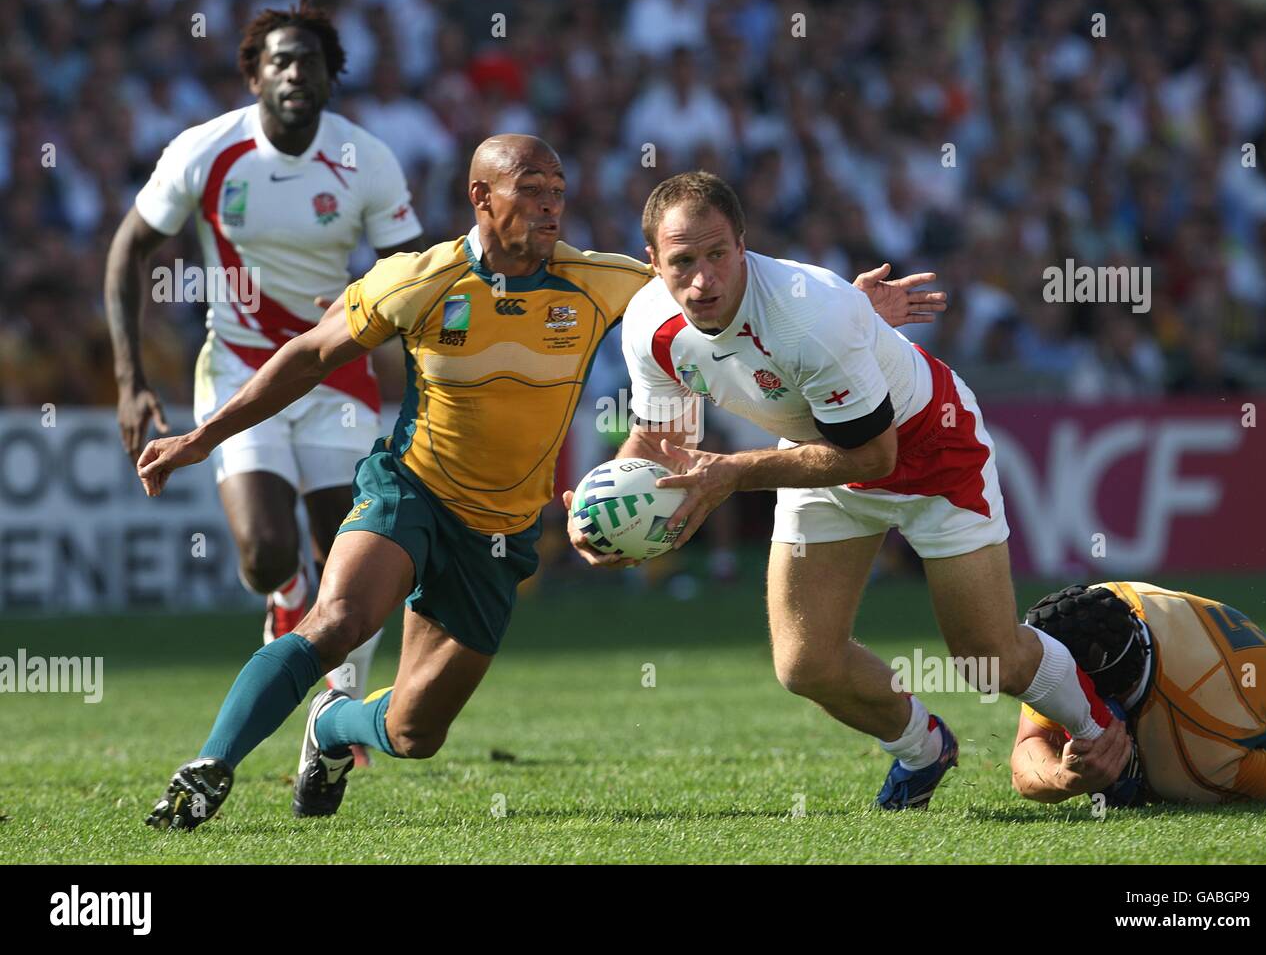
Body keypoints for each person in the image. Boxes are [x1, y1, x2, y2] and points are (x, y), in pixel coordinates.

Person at [134, 138, 942, 831]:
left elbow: (733, 288)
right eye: (533, 191)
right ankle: (212, 764)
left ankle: (334, 726)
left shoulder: (603, 282)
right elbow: (308, 357)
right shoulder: (416, 280)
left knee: (416, 732)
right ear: (481, 197)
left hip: (504, 531)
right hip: (411, 490)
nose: (553, 205)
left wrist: (848, 301)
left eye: (560, 191)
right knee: (338, 618)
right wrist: (201, 438)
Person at [573, 170, 1123, 810]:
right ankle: (924, 748)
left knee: (988, 659)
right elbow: (656, 440)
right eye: (683, 261)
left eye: (718, 254)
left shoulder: (808, 316)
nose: (704, 280)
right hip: (819, 453)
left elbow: (873, 453)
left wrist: (733, 473)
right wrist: (599, 510)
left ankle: (1100, 732)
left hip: (928, 448)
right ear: (652, 262)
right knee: (805, 664)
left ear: (744, 244)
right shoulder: (647, 323)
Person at [104, 2, 423, 748]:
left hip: (335, 371)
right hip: (241, 366)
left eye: (307, 61)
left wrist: (366, 298)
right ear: (253, 74)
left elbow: (413, 271)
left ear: (329, 76)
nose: (292, 73)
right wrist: (130, 379)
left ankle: (332, 722)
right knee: (266, 552)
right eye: (278, 61)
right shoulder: (206, 149)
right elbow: (128, 251)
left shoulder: (365, 158)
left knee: (350, 549)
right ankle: (285, 600)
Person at [1010, 582, 1266, 805]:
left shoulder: (1195, 754)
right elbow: (1029, 745)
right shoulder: (1096, 608)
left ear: (1110, 702)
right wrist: (1065, 778)